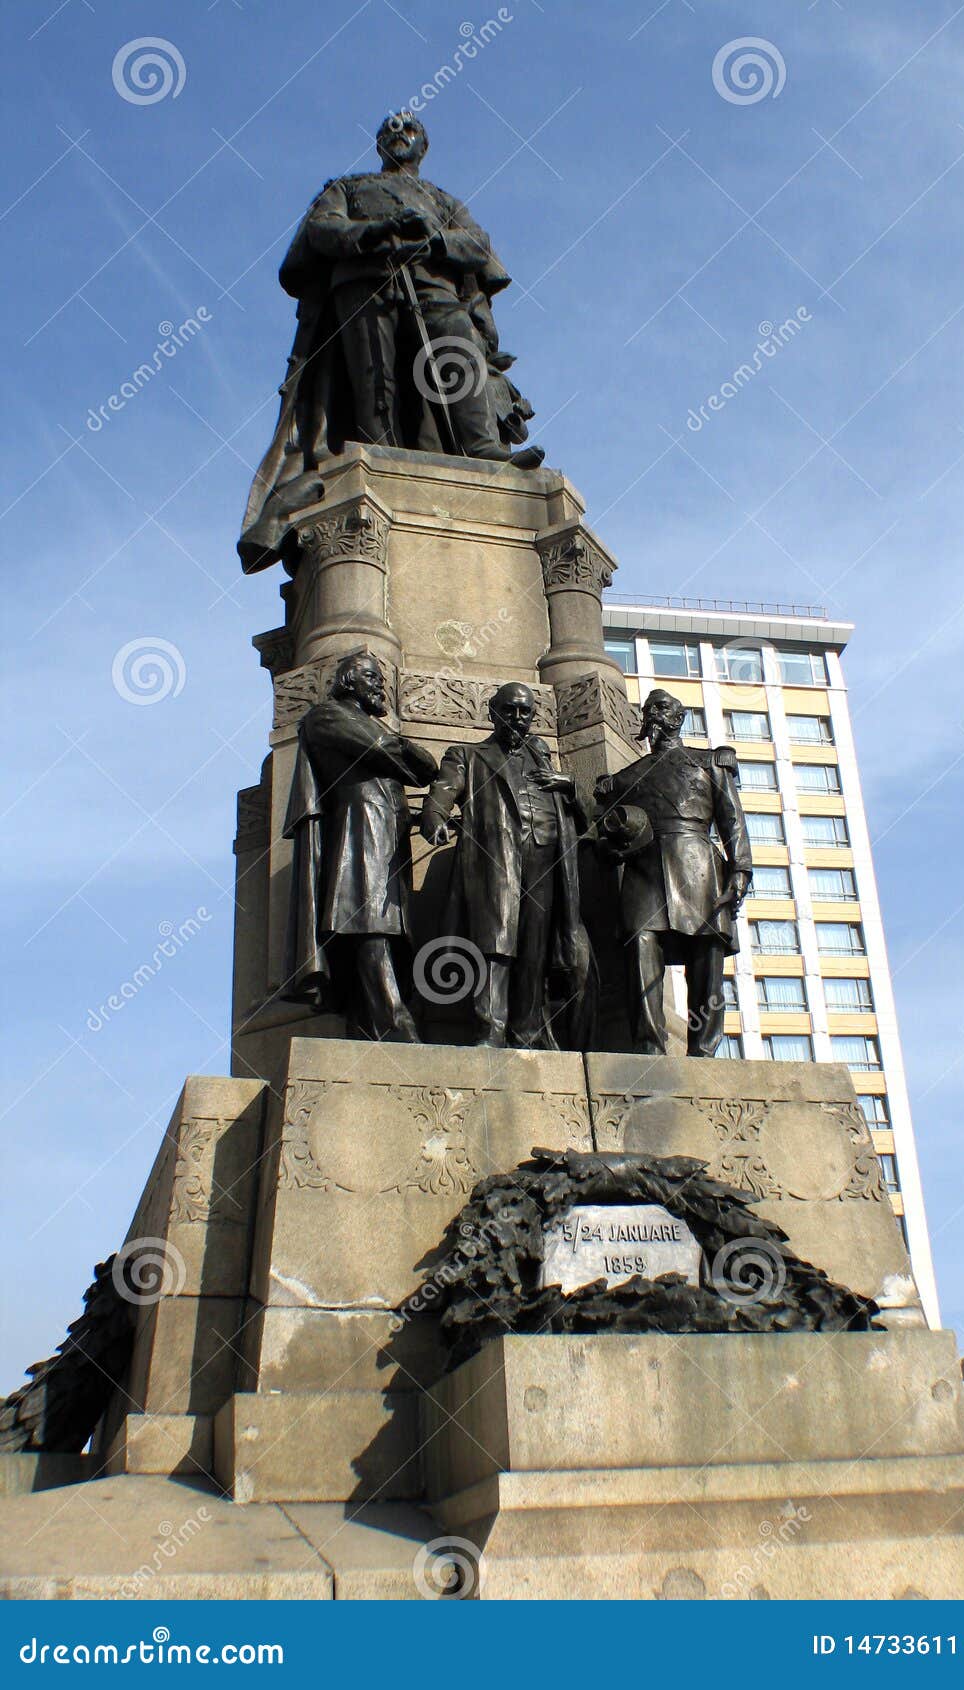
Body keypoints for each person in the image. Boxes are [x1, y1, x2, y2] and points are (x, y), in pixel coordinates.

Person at [239, 111, 541, 571]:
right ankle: (379, 459)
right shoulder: (348, 187)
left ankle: (483, 449)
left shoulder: (443, 199)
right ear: (379, 145)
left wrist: (435, 239)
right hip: (365, 282)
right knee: (374, 376)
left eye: (410, 129)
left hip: (433, 285)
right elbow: (322, 230)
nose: (399, 134)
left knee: (458, 352)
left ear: (424, 146)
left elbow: (478, 245)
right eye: (390, 130)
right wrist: (373, 232)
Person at [420, 683, 592, 1048]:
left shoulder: (544, 760)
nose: (517, 718)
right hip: (496, 860)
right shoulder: (468, 755)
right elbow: (443, 791)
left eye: (525, 712)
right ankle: (490, 1030)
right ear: (492, 712)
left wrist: (571, 787)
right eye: (510, 710)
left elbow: (587, 822)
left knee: (536, 950)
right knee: (495, 945)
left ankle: (527, 1033)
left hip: (546, 862)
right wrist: (434, 818)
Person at [283, 651, 439, 1040]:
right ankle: (394, 1018)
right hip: (359, 829)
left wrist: (404, 755)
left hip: (385, 833)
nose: (379, 686)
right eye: (372, 678)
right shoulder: (327, 716)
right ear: (349, 681)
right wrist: (401, 752)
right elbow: (386, 749)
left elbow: (421, 766)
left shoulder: (360, 721)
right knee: (370, 923)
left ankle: (373, 1019)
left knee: (388, 927)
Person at [594, 688, 752, 1057]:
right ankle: (649, 1046)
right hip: (644, 870)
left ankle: (704, 1049)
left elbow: (733, 822)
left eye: (663, 708)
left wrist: (740, 870)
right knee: (640, 948)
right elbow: (601, 830)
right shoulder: (624, 779)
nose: (654, 714)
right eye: (649, 709)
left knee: (706, 962)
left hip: (699, 866)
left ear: (679, 718)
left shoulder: (710, 762)